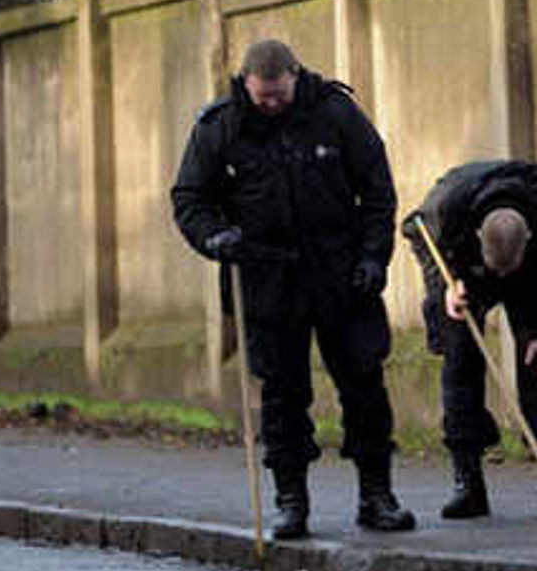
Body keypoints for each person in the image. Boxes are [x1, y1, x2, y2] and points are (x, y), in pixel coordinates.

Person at [171, 39, 415, 538]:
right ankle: (291, 501)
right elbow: (190, 198)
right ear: (247, 84)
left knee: (364, 385)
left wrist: (374, 257)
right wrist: (214, 237)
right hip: (266, 277)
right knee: (282, 396)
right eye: (264, 98)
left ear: (295, 78)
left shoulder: (335, 112)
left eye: (280, 95)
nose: (273, 105)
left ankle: (377, 495)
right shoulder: (220, 126)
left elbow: (377, 188)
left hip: (340, 273)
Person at [402, 160, 537, 518]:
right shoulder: (449, 205)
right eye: (499, 270)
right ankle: (468, 481)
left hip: (535, 279)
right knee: (460, 361)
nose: (502, 277)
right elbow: (414, 229)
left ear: (529, 237)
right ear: (478, 234)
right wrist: (443, 285)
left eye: (506, 269)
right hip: (465, 275)